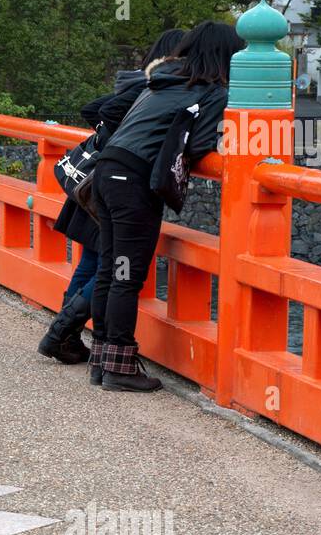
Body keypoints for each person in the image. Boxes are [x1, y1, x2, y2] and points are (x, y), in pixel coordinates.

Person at [89, 20, 244, 392]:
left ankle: (102, 360)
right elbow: (198, 147)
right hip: (132, 185)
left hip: (107, 173)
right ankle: (121, 368)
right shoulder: (211, 93)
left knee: (111, 270)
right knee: (126, 276)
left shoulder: (160, 80)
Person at [39, 28, 184, 364]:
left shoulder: (144, 81)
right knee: (110, 267)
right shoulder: (152, 86)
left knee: (93, 260)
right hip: (118, 183)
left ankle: (65, 334)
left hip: (100, 182)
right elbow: (98, 110)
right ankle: (62, 331)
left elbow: (95, 110)